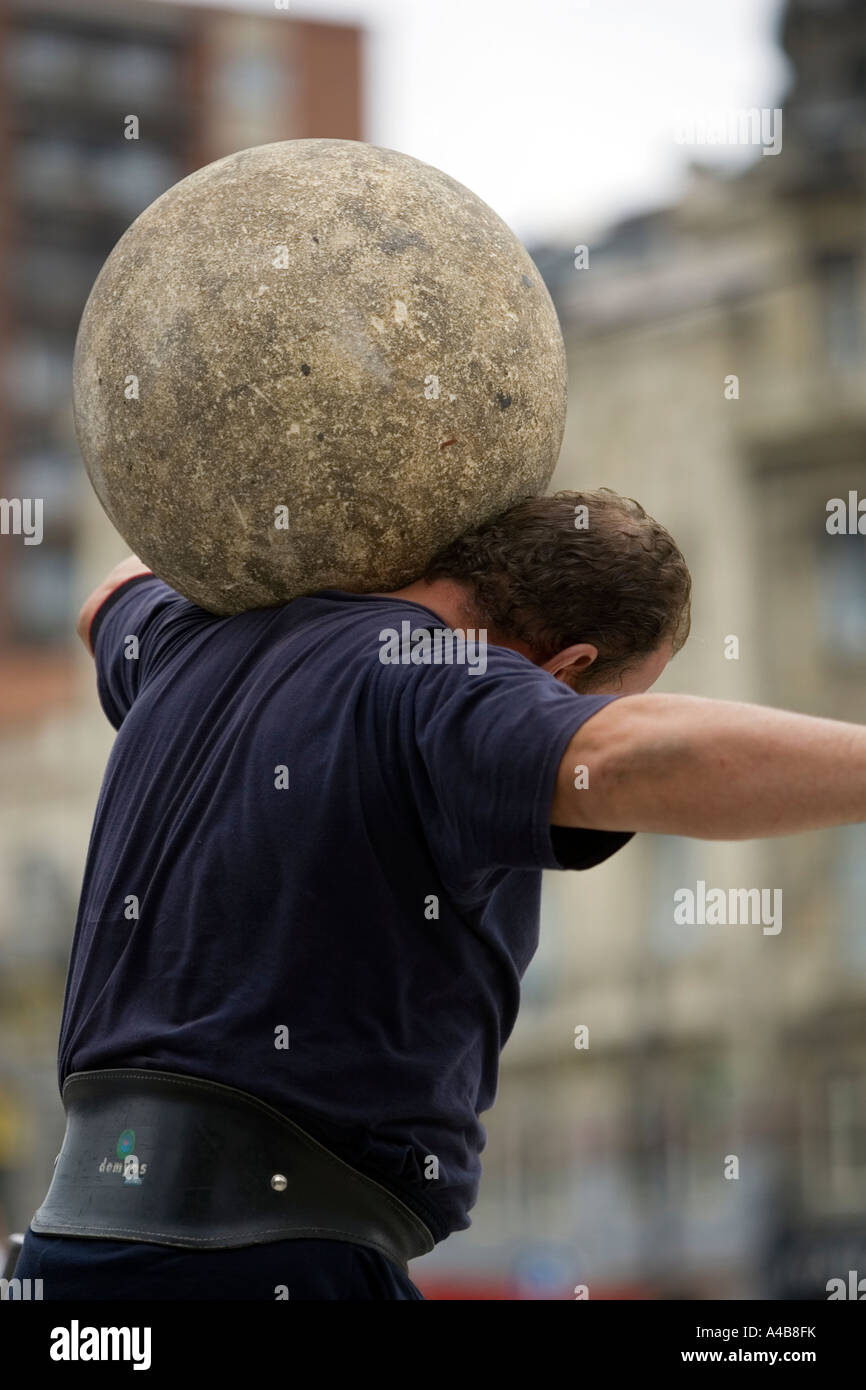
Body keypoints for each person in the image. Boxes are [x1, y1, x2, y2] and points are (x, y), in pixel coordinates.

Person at [12, 488, 866, 1301]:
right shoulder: (442, 686)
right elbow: (632, 757)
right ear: (563, 669)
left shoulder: (188, 642)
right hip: (271, 1262)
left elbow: (108, 594)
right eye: (602, 698)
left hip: (70, 1256)